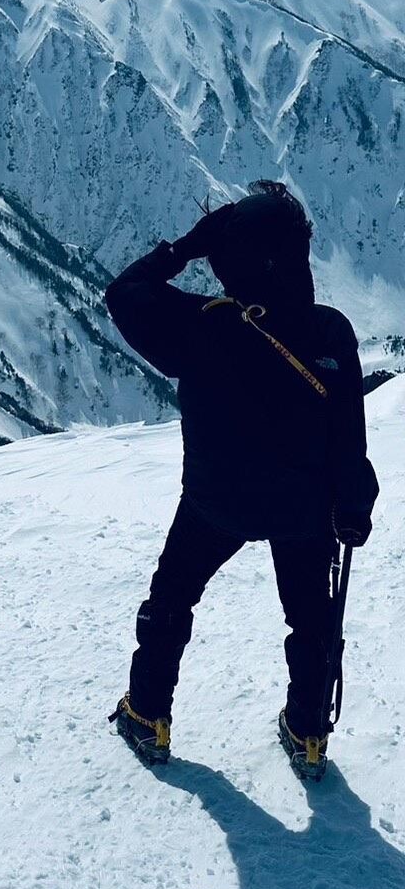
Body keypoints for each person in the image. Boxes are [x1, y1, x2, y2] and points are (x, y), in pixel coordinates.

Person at [105, 181, 378, 778]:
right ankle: (308, 733)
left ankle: (147, 714)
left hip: (215, 504)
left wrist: (184, 248)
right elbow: (349, 438)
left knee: (172, 599)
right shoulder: (331, 333)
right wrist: (355, 505)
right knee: (312, 620)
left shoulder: (204, 324)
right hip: (304, 511)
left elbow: (123, 294)